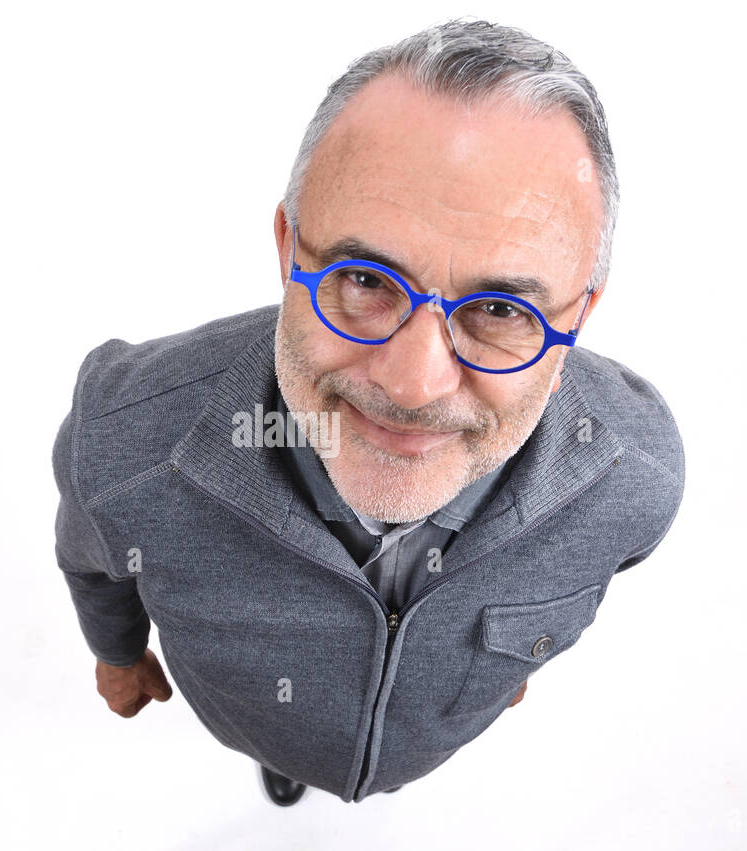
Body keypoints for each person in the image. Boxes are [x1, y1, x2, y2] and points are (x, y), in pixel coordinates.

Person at [51, 18, 685, 806]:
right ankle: (283, 762)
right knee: (281, 733)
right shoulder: (124, 435)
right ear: (289, 250)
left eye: (499, 310)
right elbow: (92, 559)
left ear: (576, 321)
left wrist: (505, 664)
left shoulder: (638, 474)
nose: (415, 385)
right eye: (364, 280)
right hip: (256, 721)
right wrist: (116, 654)